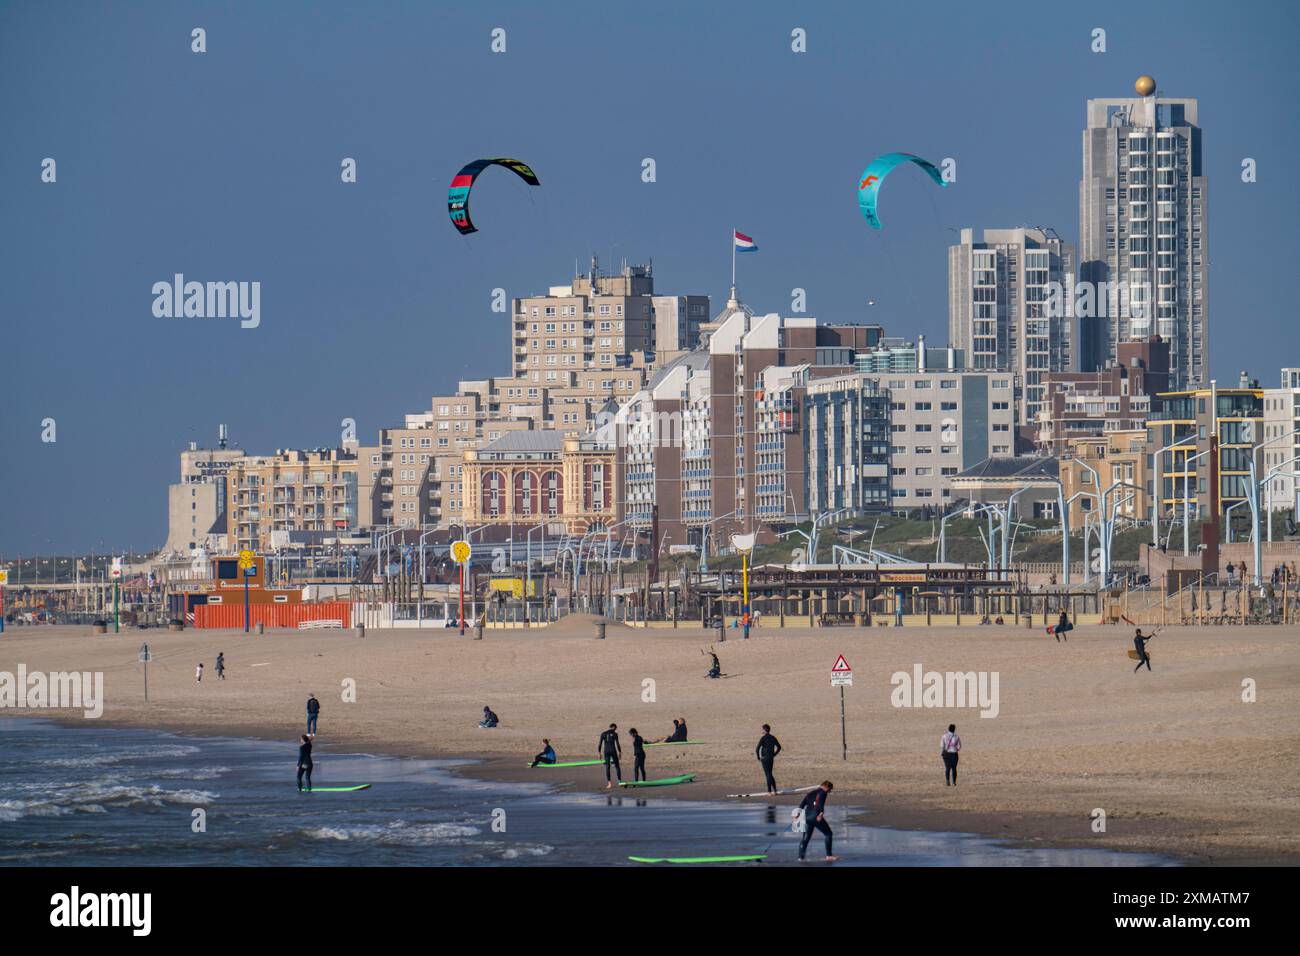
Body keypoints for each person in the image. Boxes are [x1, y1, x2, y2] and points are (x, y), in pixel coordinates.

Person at [796, 781, 837, 862]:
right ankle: (829, 856)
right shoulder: (823, 792)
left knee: (805, 838)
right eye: (830, 789)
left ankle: (801, 857)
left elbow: (802, 803)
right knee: (828, 834)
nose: (829, 791)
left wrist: (797, 814)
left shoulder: (811, 793)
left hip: (806, 816)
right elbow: (820, 802)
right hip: (815, 816)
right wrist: (821, 813)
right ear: (826, 787)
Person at [756, 724, 782, 794]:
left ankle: (769, 791)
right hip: (771, 758)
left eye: (762, 730)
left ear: (765, 730)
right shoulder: (773, 737)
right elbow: (779, 747)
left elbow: (757, 748)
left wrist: (758, 757)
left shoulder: (763, 738)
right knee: (770, 774)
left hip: (764, 759)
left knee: (768, 774)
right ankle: (775, 790)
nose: (762, 731)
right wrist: (774, 755)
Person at [598, 723, 622, 788]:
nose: (615, 730)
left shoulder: (603, 733)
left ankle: (609, 784)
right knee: (617, 766)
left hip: (606, 752)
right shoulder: (615, 734)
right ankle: (620, 782)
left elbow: (600, 744)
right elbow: (617, 744)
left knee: (607, 767)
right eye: (615, 728)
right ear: (613, 727)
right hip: (613, 751)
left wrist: (599, 753)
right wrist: (620, 752)